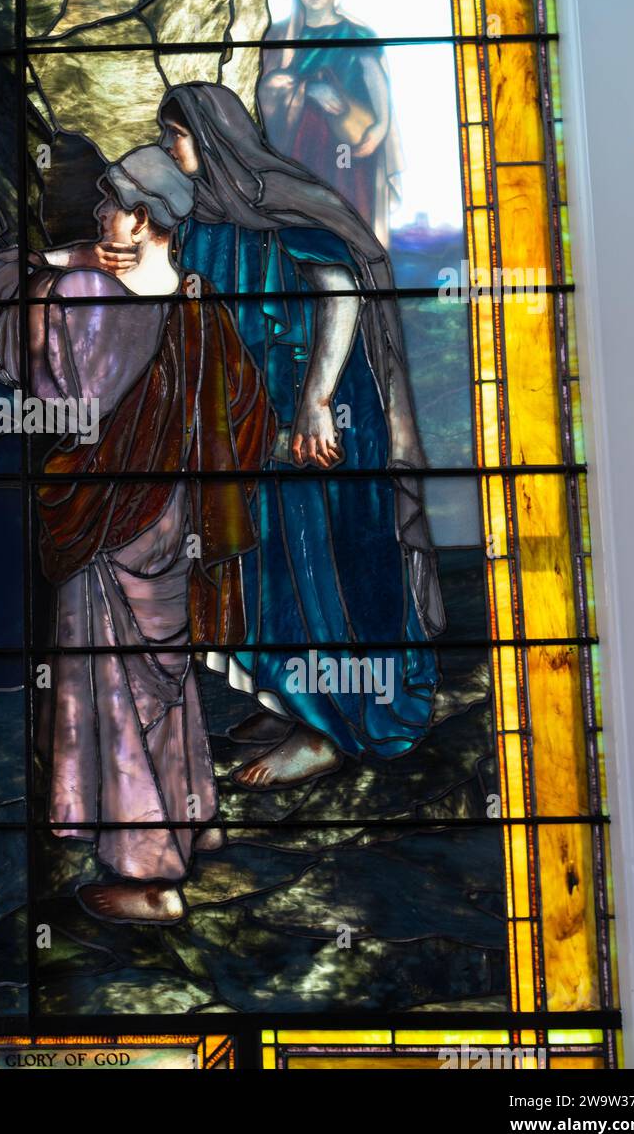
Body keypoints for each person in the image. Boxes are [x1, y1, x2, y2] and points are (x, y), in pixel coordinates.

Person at [0, 146, 272, 924]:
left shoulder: (88, 294)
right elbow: (249, 411)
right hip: (177, 523)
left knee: (113, 686)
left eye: (110, 205)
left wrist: (64, 258)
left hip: (107, 520)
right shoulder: (200, 304)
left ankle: (148, 874)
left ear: (140, 216)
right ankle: (195, 817)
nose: (99, 217)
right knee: (162, 680)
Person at [144, 81, 444, 790]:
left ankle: (334, 725)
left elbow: (341, 294)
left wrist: (316, 402)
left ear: (210, 137)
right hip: (250, 420)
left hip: (317, 415)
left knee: (320, 560)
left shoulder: (278, 203)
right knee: (268, 560)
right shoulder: (207, 217)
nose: (168, 149)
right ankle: (294, 696)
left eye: (175, 136)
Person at [257, 0, 403, 249]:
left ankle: (359, 273)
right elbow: (265, 90)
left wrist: (380, 128)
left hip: (348, 142)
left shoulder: (356, 34)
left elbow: (377, 84)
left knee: (350, 207)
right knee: (306, 210)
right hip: (300, 142)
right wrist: (307, 90)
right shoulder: (280, 36)